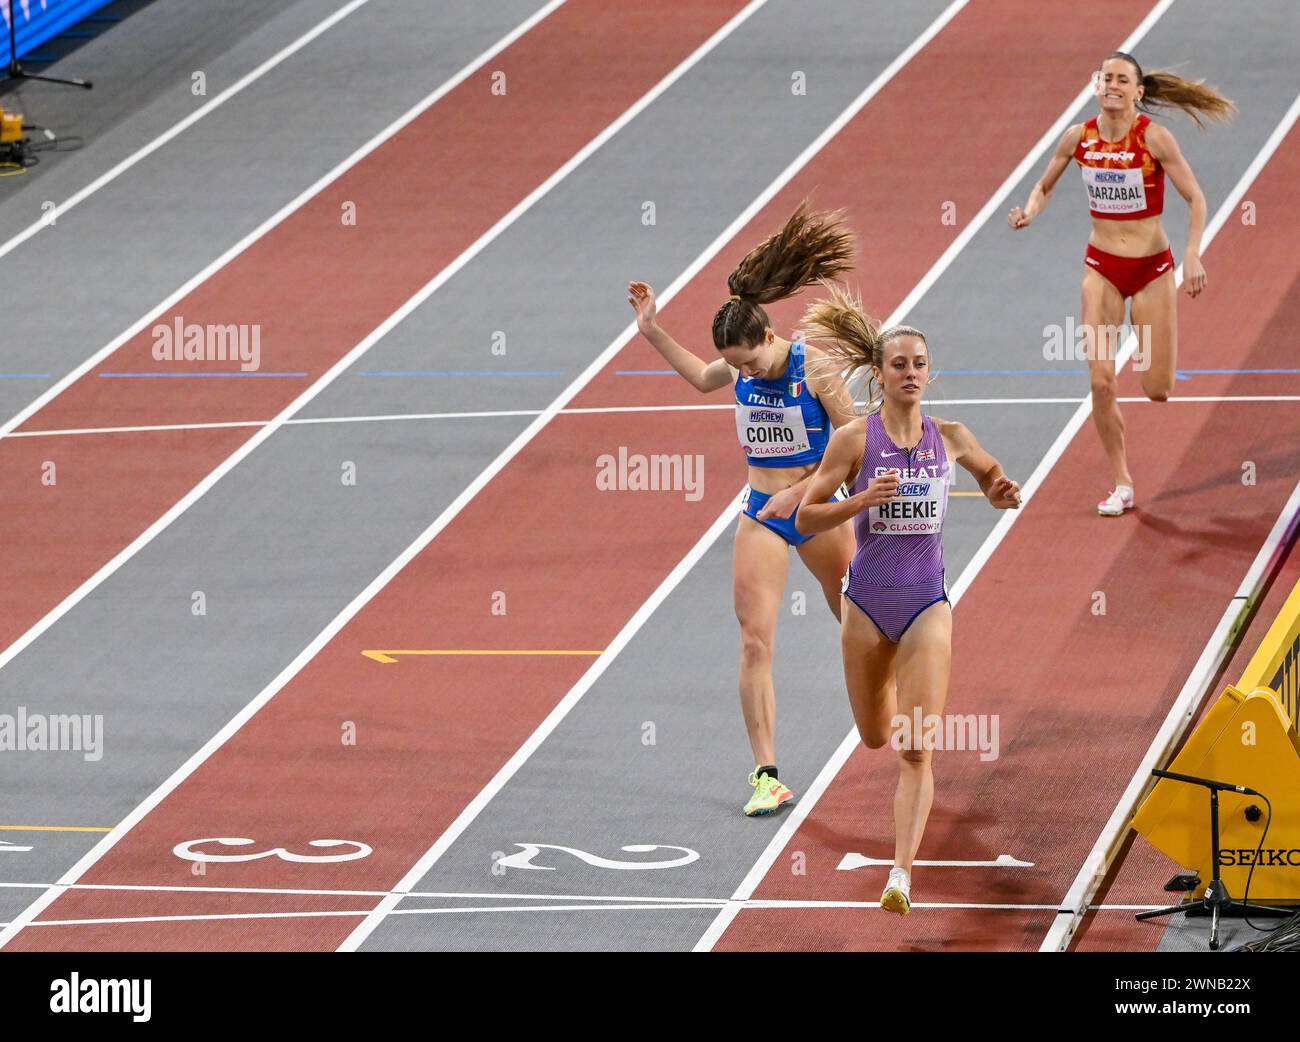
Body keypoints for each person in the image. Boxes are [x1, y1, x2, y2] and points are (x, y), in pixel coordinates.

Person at [794, 284, 1021, 913]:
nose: (911, 373)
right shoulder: (853, 441)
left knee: (915, 747)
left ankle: (900, 875)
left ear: (929, 371)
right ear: (880, 373)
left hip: (925, 603)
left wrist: (999, 491)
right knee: (874, 735)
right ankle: (895, 681)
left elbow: (989, 472)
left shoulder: (949, 436)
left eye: (919, 363)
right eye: (899, 364)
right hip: (865, 605)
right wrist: (863, 500)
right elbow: (807, 517)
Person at [628, 203, 860, 816]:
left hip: (816, 508)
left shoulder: (815, 368)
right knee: (755, 642)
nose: (743, 373)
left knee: (858, 623)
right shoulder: (737, 369)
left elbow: (855, 444)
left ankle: (897, 704)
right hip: (760, 513)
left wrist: (802, 490)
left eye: (749, 361)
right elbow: (700, 377)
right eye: (735, 365)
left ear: (769, 336)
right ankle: (766, 774)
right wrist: (652, 331)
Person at [1008, 52, 1234, 515]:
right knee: (1102, 382)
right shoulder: (1079, 137)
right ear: (1097, 86)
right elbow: (1045, 185)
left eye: (1122, 79)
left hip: (1152, 271)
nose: (1112, 85)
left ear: (1138, 91)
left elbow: (1195, 198)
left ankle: (1156, 361)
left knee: (1158, 389)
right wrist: (1030, 210)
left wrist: (1193, 253)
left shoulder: (1154, 138)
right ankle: (1122, 483)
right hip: (1102, 269)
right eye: (1106, 77)